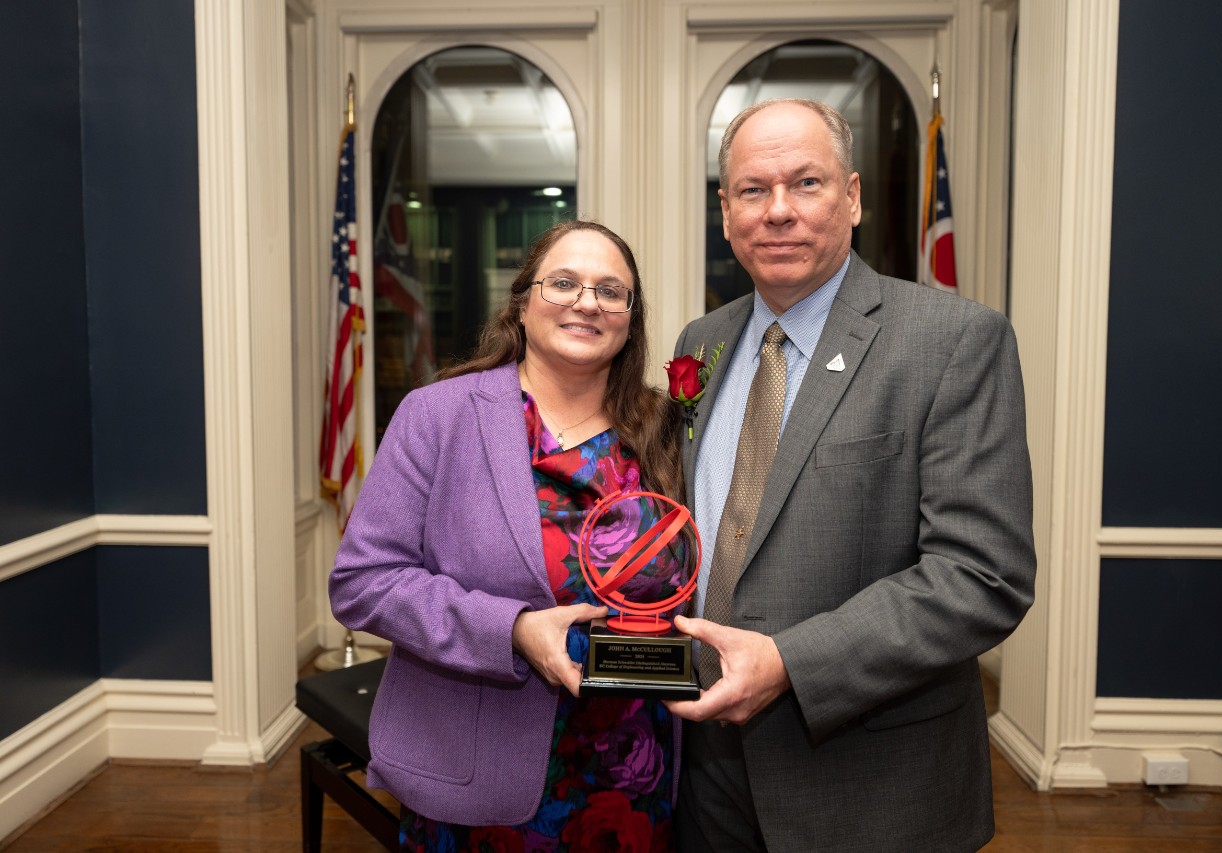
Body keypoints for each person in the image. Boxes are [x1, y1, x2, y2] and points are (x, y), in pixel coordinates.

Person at [665, 99, 1036, 851]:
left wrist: (788, 664)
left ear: (854, 196)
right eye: (752, 190)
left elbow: (982, 575)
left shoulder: (954, 340)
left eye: (806, 183)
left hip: (870, 787)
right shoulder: (700, 343)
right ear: (726, 209)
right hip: (705, 777)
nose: (778, 212)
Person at [330, 220, 686, 851]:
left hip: (631, 772)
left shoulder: (663, 429)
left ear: (630, 319)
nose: (586, 302)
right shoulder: (438, 415)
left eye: (611, 290)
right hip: (476, 776)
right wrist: (514, 630)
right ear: (522, 304)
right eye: (564, 282)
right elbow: (363, 582)